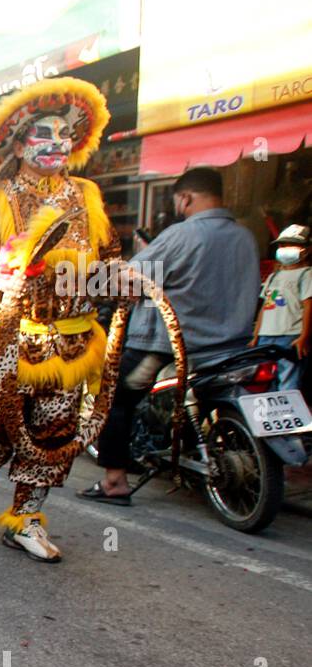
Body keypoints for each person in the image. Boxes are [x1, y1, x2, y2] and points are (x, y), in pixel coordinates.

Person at [0, 77, 120, 562]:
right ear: (20, 143)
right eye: (44, 134)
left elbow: (110, 258)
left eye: (66, 135)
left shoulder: (88, 197)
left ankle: (26, 518)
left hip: (70, 344)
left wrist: (121, 281)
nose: (57, 143)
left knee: (53, 435)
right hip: (10, 341)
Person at [84, 167, 261, 504]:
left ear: (185, 198)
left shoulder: (183, 235)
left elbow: (126, 279)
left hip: (173, 347)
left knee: (113, 398)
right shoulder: (246, 237)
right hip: (232, 348)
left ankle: (114, 483)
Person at [250, 224, 311, 392]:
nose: (285, 249)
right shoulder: (273, 276)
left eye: (292, 245)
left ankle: (289, 416)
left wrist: (304, 336)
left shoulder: (307, 274)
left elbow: (308, 306)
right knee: (266, 381)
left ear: (306, 250)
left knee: (288, 380)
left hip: (290, 335)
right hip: (266, 335)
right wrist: (256, 335)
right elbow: (265, 307)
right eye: (283, 245)